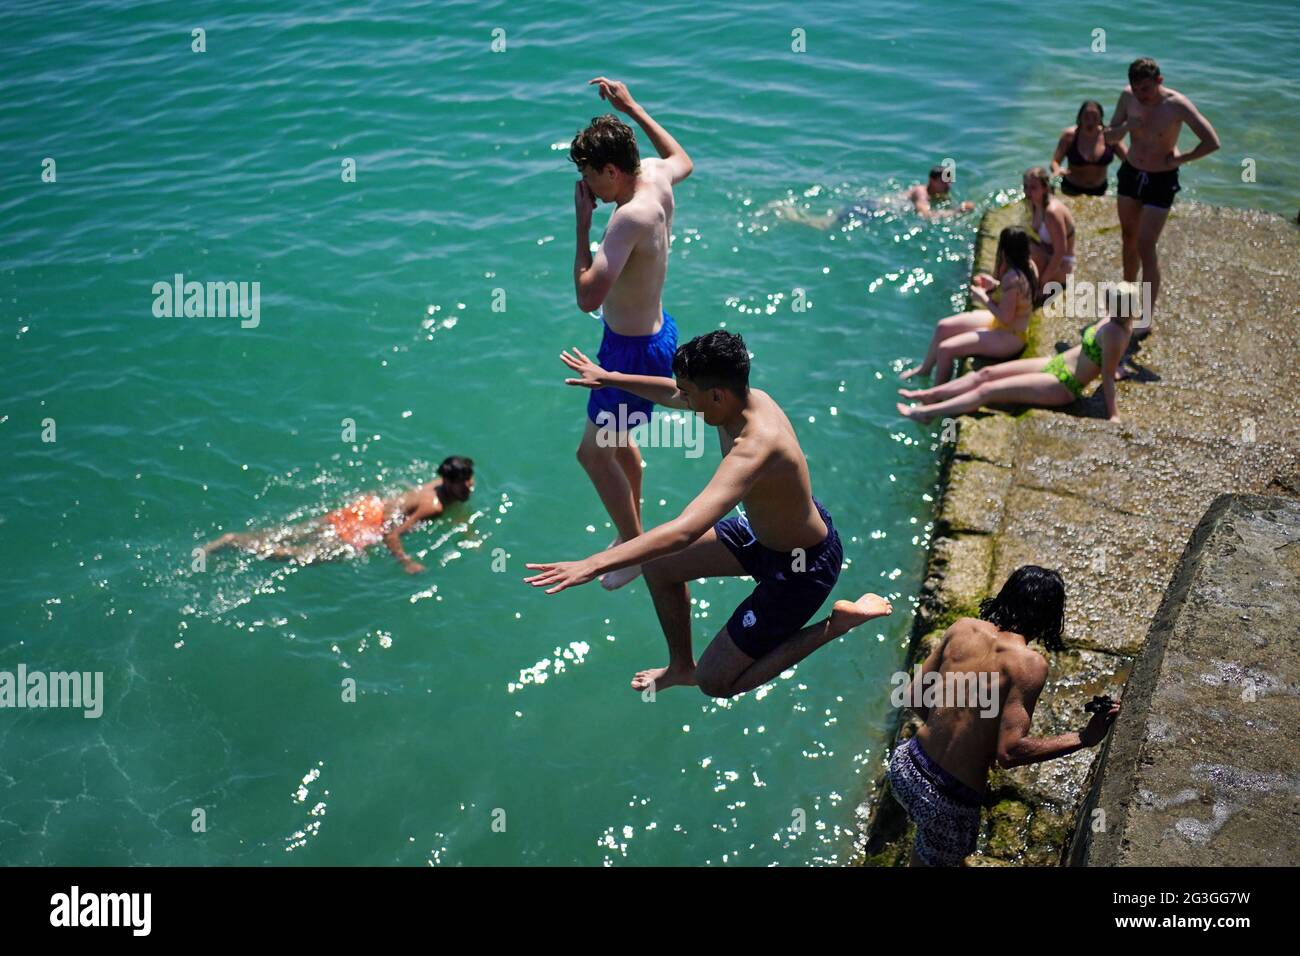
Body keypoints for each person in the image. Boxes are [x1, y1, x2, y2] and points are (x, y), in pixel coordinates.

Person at [527, 330, 893, 698]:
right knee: (660, 565)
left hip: (802, 569)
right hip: (764, 533)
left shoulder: (754, 448)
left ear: (716, 395)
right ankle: (681, 666)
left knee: (715, 683)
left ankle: (837, 625)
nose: (681, 398)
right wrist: (610, 378)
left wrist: (594, 563)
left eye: (688, 392)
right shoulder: (741, 398)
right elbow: (671, 392)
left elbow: (685, 530)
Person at [888, 566, 1121, 866]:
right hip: (949, 801)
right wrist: (1083, 737)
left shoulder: (962, 628)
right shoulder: (1029, 664)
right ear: (1049, 617)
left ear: (1005, 595)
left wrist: (953, 734)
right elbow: (1008, 753)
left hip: (907, 767)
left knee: (926, 843)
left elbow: (914, 696)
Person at [568, 77, 694, 591]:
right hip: (652, 333)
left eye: (589, 176)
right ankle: (631, 534)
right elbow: (682, 156)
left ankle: (633, 547)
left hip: (632, 351)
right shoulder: (658, 177)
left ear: (612, 170)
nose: (587, 187)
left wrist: (580, 227)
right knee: (618, 444)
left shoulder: (627, 218)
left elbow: (586, 298)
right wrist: (633, 106)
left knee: (592, 454)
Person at [897, 283, 1140, 423]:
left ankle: (926, 412)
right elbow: (1111, 362)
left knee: (987, 391)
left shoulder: (1116, 333)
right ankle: (928, 394)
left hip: (1062, 384)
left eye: (1110, 301)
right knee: (986, 373)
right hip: (1055, 363)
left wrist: (1113, 414)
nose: (1105, 305)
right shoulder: (1113, 320)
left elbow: (1107, 376)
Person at [1104, 57, 1220, 334]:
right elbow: (1109, 138)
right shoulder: (1127, 97)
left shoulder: (1176, 104)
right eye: (1137, 88)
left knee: (1146, 246)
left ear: (1159, 81)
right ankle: (1126, 302)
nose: (1141, 95)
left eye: (1146, 89)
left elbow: (1212, 141)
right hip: (1131, 173)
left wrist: (1181, 160)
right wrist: (1126, 128)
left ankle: (1146, 315)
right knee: (1128, 238)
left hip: (1161, 179)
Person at [203, 456, 475, 573]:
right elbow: (392, 535)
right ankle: (236, 543)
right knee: (304, 555)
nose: (469, 487)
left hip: (366, 508)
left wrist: (465, 527)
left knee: (293, 531)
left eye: (470, 480)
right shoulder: (434, 506)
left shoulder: (435, 485)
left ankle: (233, 540)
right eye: (463, 483)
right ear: (448, 482)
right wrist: (406, 563)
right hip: (367, 526)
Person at [900, 226, 1036, 384]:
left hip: (1010, 336)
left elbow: (1006, 317)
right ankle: (925, 369)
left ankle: (933, 400)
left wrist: (983, 298)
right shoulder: (1029, 266)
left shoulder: (1012, 278)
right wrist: (994, 286)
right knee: (943, 327)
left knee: (946, 350)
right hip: (1004, 326)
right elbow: (1016, 298)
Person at [773, 165, 975, 228]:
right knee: (823, 225)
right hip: (870, 209)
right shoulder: (921, 193)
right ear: (932, 180)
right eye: (945, 182)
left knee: (827, 221)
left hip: (871, 207)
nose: (949, 185)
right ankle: (788, 214)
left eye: (950, 182)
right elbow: (924, 215)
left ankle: (792, 212)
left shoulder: (934, 193)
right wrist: (956, 211)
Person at [1050, 100, 1127, 197]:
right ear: (1080, 118)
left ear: (1100, 118)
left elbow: (1129, 160)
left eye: (1095, 117)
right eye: (1086, 117)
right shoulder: (1069, 136)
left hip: (1100, 190)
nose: (1090, 121)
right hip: (1071, 189)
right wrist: (1057, 170)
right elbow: (1055, 161)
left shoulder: (1109, 136)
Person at [1024, 166, 1076, 293]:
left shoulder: (1052, 212)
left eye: (1033, 187)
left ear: (1045, 188)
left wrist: (1043, 281)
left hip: (1062, 264)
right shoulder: (1034, 203)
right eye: (1025, 187)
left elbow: (1060, 252)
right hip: (1048, 253)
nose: (1028, 192)